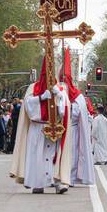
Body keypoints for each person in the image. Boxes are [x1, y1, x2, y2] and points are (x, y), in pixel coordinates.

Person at [9, 55, 72, 193]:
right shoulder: (33, 87)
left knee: (53, 155)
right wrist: (40, 97)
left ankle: (56, 182)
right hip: (37, 127)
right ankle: (37, 183)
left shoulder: (60, 88)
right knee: (37, 155)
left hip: (54, 126)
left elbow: (65, 109)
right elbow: (26, 105)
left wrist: (59, 96)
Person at [62, 51, 95, 186]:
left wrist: (67, 107)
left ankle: (71, 177)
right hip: (59, 129)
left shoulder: (78, 97)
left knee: (73, 154)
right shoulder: (58, 92)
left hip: (73, 129)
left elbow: (77, 114)